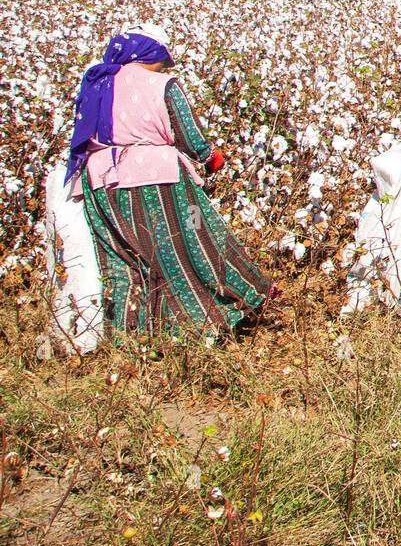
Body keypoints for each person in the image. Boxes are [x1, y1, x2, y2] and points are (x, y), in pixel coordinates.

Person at [67, 25, 273, 338]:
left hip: (99, 185)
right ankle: (206, 321)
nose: (165, 67)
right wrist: (209, 158)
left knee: (125, 263)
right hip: (158, 181)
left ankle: (132, 337)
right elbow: (188, 135)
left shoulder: (96, 85)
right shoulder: (162, 85)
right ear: (150, 55)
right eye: (163, 60)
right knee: (190, 243)